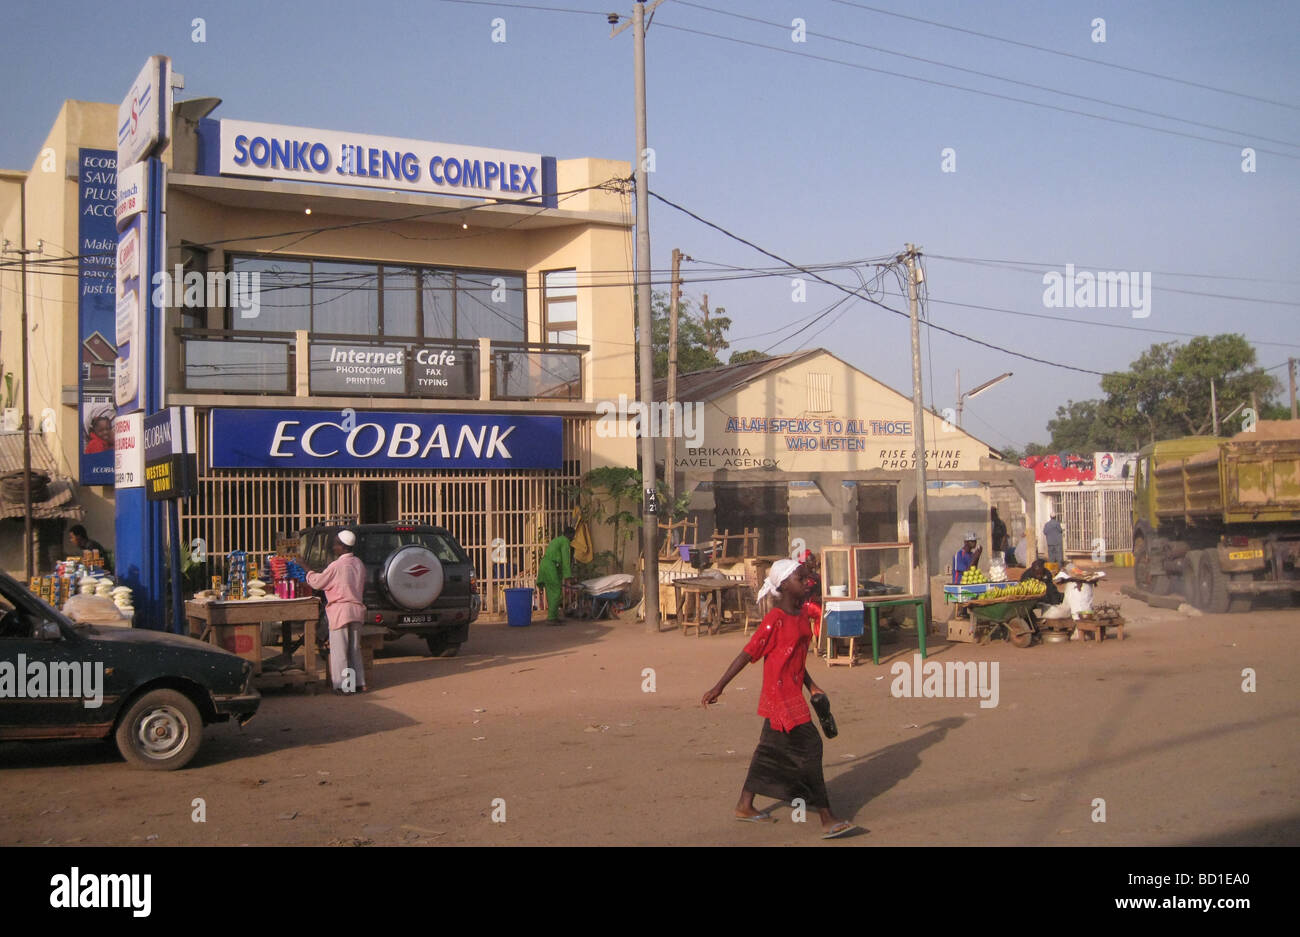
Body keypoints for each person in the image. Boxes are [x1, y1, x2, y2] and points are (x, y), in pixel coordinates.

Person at [702, 559, 854, 839]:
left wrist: (812, 686)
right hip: (780, 696)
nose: (805, 582)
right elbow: (747, 654)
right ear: (784, 585)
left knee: (769, 749)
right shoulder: (775, 619)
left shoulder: (800, 614)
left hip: (793, 692)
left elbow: (793, 657)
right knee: (810, 746)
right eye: (799, 578)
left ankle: (744, 805)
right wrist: (718, 687)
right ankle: (826, 817)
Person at [306, 530, 367, 694]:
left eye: (335, 544)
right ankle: (359, 683)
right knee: (354, 649)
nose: (333, 547)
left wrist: (306, 569)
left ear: (342, 546)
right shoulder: (359, 564)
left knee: (340, 651)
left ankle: (344, 686)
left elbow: (317, 583)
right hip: (356, 610)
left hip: (340, 611)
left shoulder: (337, 565)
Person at [536, 526, 574, 625]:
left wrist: (563, 576)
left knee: (551, 592)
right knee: (556, 592)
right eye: (573, 536)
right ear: (570, 535)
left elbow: (559, 562)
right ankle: (551, 619)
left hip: (545, 565)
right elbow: (565, 561)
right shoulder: (565, 541)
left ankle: (554, 617)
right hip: (550, 567)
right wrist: (568, 577)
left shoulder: (557, 540)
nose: (573, 538)